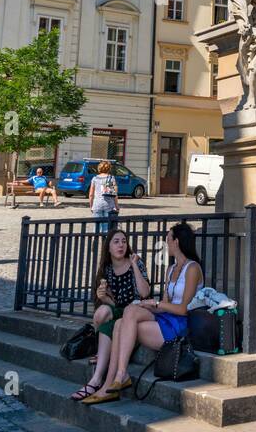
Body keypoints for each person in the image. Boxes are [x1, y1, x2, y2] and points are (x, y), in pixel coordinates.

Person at [83, 221, 203, 404]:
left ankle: (115, 380)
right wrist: (150, 305)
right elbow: (165, 302)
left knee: (123, 323)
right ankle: (112, 382)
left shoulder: (192, 268)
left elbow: (183, 309)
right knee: (122, 320)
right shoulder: (171, 269)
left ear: (176, 242)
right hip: (166, 317)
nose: (166, 243)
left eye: (168, 239)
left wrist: (156, 304)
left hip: (179, 325)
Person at [72, 229, 151, 401]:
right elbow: (116, 305)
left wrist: (135, 266)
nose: (121, 245)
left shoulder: (136, 263)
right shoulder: (106, 270)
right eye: (116, 241)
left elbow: (145, 293)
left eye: (124, 241)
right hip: (120, 311)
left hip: (136, 311)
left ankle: (96, 379)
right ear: (108, 247)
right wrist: (104, 298)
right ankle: (96, 378)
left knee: (111, 325)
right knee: (102, 313)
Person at [88, 160, 119, 230]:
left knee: (96, 227)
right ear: (109, 169)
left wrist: (91, 206)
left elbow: (91, 194)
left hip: (97, 204)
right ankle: (105, 240)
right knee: (106, 228)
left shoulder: (94, 178)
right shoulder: (111, 178)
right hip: (109, 204)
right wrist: (117, 206)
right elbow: (115, 194)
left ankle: (95, 240)